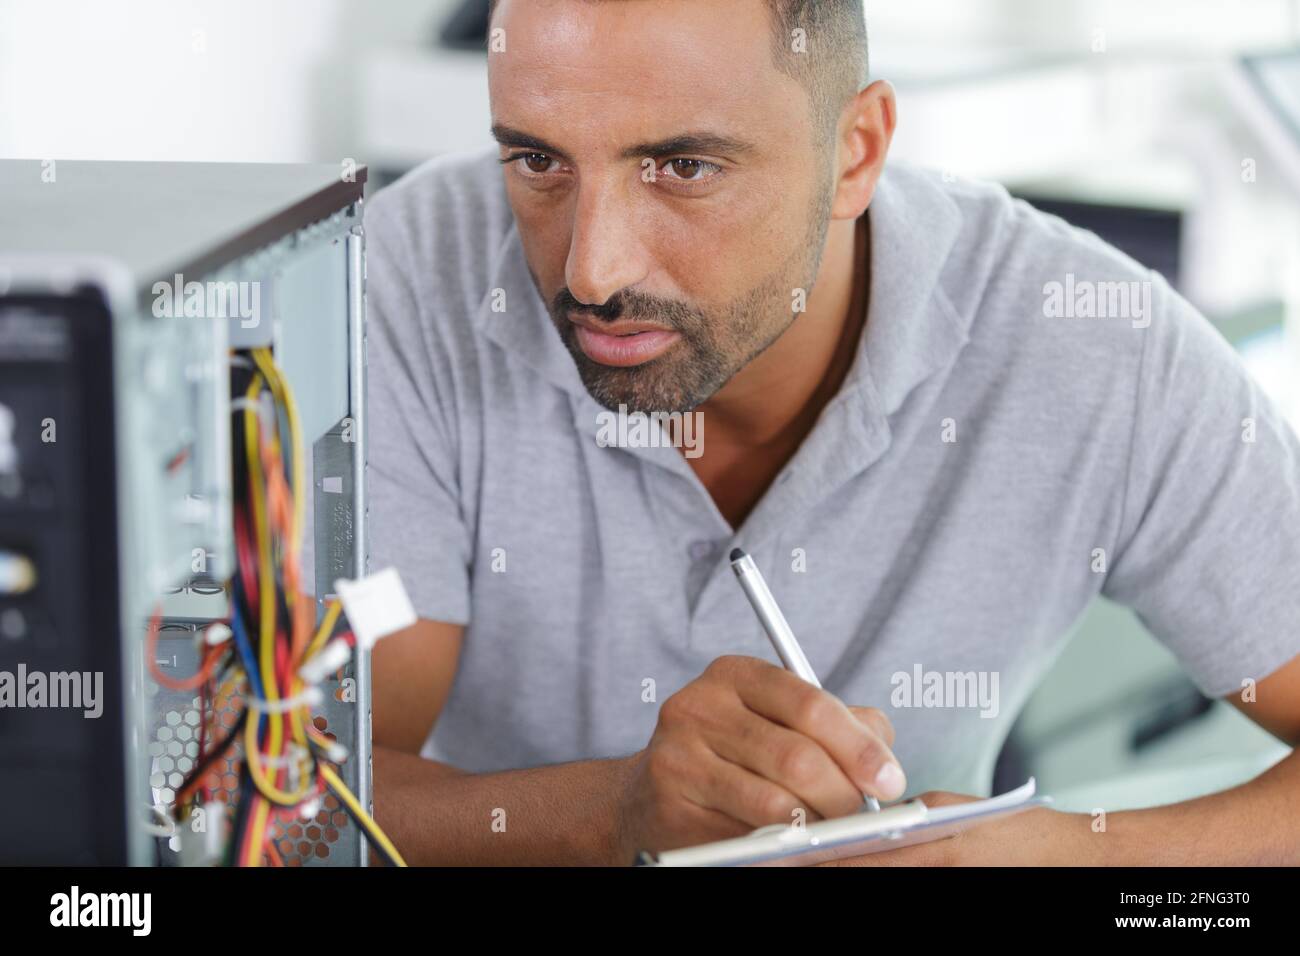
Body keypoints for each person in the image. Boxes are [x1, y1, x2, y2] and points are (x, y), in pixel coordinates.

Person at [365, 0, 1300, 864]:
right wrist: (613, 815)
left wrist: (1064, 855)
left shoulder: (1100, 346)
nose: (594, 271)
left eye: (685, 167)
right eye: (538, 161)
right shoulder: (397, 284)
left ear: (855, 151)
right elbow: (306, 791)